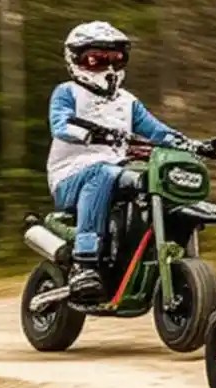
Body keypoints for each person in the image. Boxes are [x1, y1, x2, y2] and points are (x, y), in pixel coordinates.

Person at [46, 21, 195, 301]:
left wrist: (191, 144)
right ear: (76, 60)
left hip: (115, 170)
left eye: (116, 59)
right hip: (70, 176)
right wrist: (92, 133)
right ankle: (84, 263)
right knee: (101, 173)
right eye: (97, 59)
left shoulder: (127, 101)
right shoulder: (67, 92)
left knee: (152, 176)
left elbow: (157, 131)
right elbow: (60, 125)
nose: (109, 68)